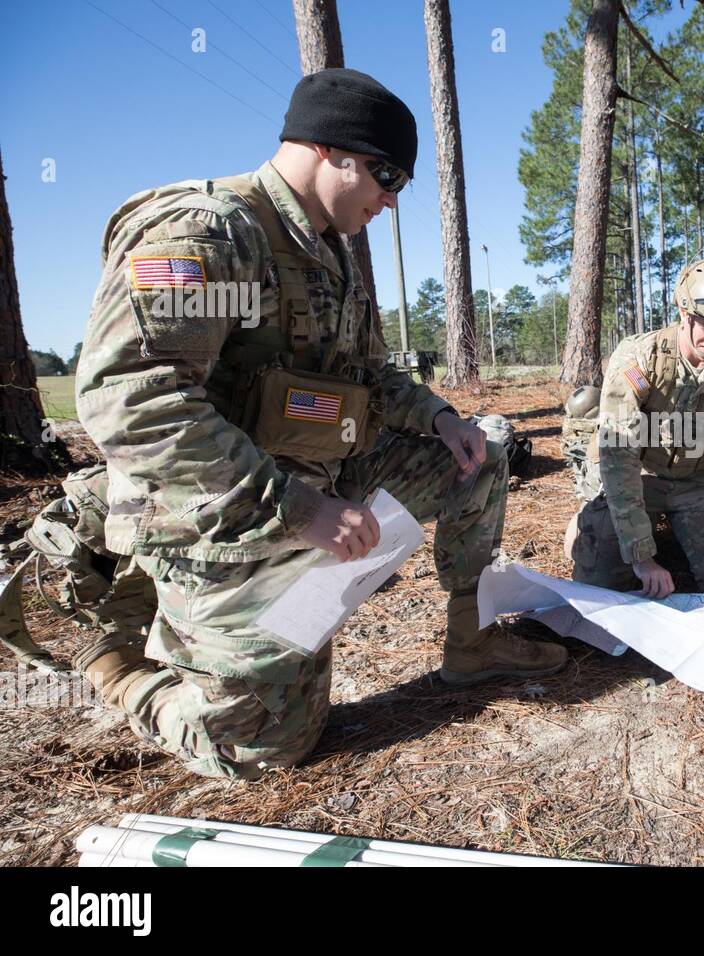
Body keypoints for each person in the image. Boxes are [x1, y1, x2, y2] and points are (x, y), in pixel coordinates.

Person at [63, 68, 565, 780]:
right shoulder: (208, 232)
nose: (391, 201)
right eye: (386, 175)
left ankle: (472, 642)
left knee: (476, 460)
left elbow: (370, 377)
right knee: (265, 749)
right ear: (331, 151)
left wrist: (443, 416)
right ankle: (115, 662)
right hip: (220, 516)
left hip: (314, 483)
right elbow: (131, 400)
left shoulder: (329, 253)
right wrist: (299, 510)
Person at [569, 258, 704, 603]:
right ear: (684, 313)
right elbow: (618, 456)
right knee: (598, 580)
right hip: (640, 477)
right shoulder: (640, 358)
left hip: (697, 485)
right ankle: (587, 518)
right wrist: (641, 554)